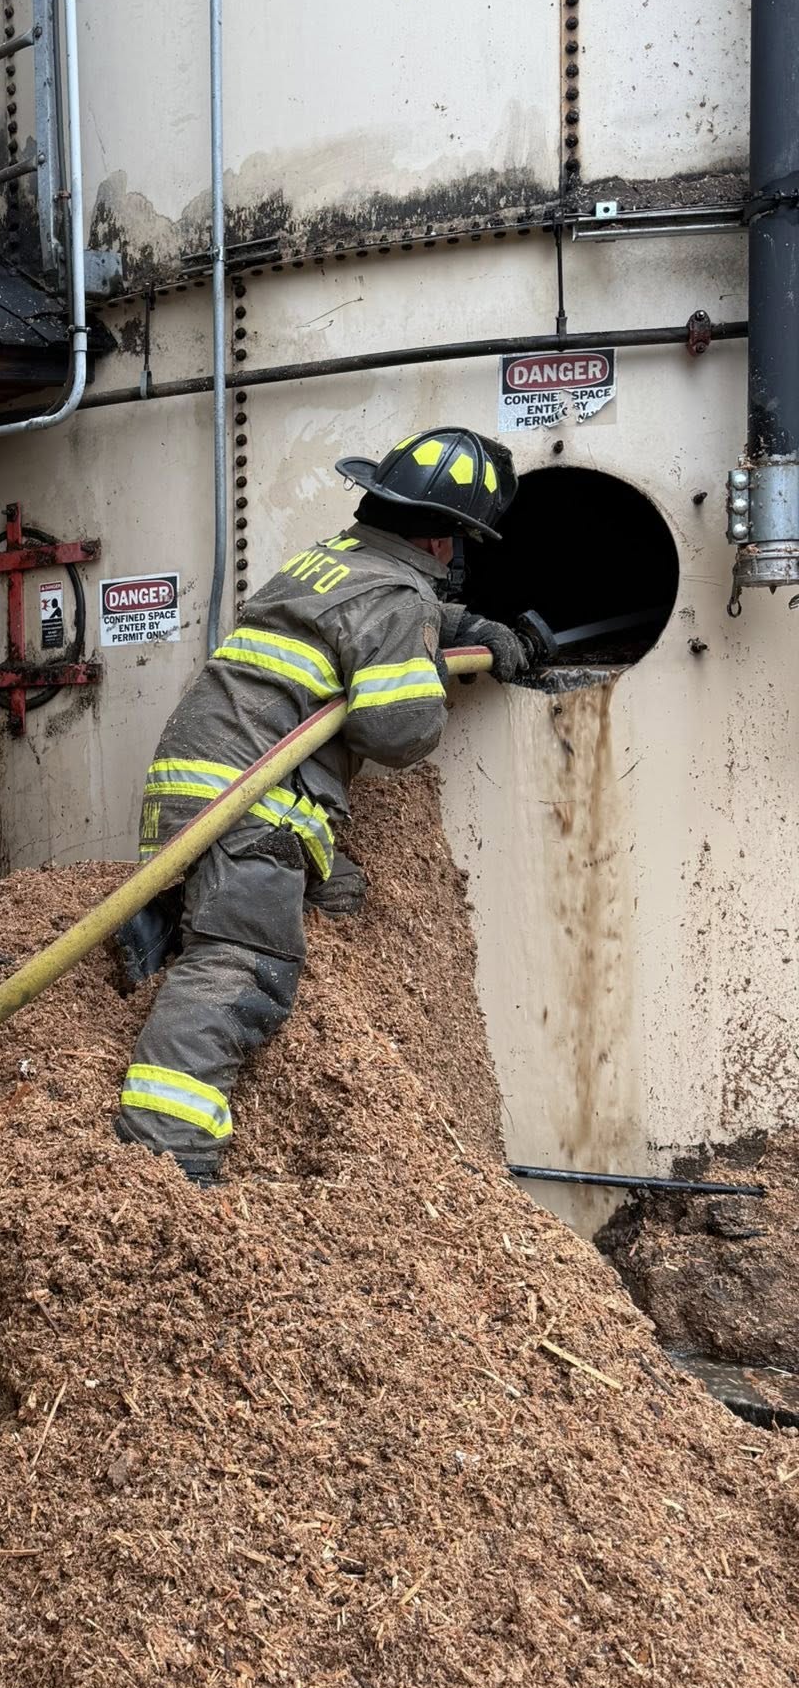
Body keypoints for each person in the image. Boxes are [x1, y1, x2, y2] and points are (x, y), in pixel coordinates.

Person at [113, 428, 527, 1186]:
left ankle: (165, 924)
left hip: (201, 781)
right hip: (246, 802)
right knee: (247, 964)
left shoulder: (330, 564)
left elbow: (366, 618)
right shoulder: (395, 600)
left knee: (336, 890)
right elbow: (398, 732)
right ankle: (163, 1158)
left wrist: (468, 630)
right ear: (447, 540)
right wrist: (438, 658)